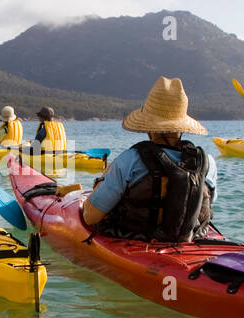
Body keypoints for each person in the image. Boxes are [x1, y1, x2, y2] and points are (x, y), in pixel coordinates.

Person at [81, 77, 217, 242]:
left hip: (136, 240)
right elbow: (207, 204)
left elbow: (90, 217)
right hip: (189, 240)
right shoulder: (206, 162)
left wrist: (103, 178)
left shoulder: (130, 160)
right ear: (181, 128)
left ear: (149, 128)